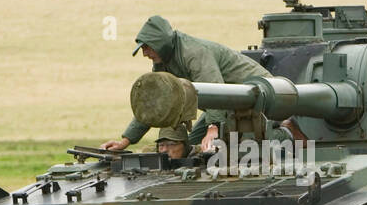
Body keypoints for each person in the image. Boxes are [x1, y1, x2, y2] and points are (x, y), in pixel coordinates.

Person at [100, 15, 266, 155]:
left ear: (160, 43)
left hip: (262, 96)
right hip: (225, 106)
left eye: (147, 47)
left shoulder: (193, 53)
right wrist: (126, 141)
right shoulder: (163, 62)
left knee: (220, 144)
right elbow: (155, 105)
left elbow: (216, 88)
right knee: (187, 148)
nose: (145, 54)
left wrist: (213, 127)